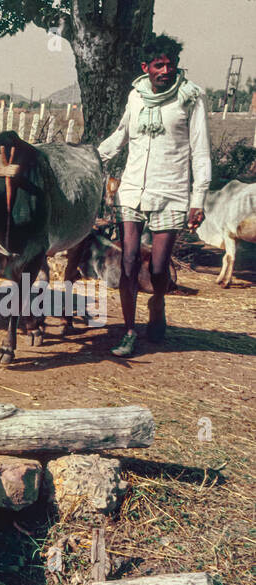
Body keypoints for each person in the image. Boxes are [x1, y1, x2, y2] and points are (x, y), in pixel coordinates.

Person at [97, 33, 211, 357]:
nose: (165, 71)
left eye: (170, 64)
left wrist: (198, 198)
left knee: (159, 269)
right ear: (146, 67)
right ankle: (129, 331)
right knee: (129, 262)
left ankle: (157, 303)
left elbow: (200, 152)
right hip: (132, 189)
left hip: (171, 191)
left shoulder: (191, 98)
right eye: (158, 65)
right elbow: (121, 134)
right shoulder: (136, 96)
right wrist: (93, 157)